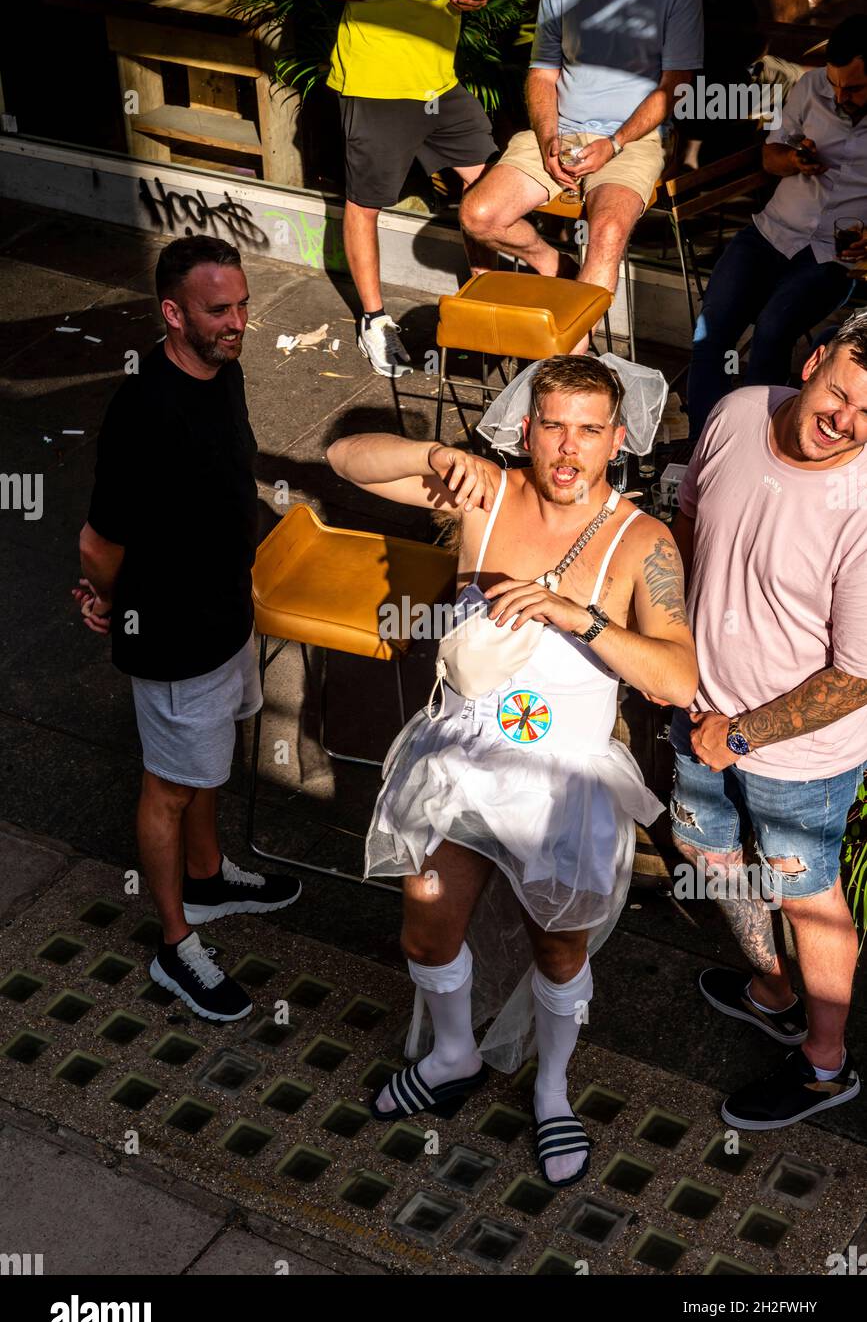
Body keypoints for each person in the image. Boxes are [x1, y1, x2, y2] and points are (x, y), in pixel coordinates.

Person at [327, 355, 697, 1186]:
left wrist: (580, 615)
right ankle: (455, 1054)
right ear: (525, 429)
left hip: (561, 782)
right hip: (457, 761)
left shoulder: (643, 542)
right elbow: (343, 459)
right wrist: (430, 457)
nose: (568, 450)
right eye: (552, 426)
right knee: (424, 921)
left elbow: (675, 679)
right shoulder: (484, 494)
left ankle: (553, 1090)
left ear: (618, 439)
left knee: (558, 952)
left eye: (589, 430)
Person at [75, 235, 301, 1022]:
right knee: (170, 786)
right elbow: (99, 543)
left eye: (241, 304)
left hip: (225, 610)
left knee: (213, 755)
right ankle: (176, 944)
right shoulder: (144, 408)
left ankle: (207, 875)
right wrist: (110, 599)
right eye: (219, 310)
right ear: (173, 314)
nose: (238, 321)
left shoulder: (221, 368)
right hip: (173, 633)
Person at [670, 311, 867, 1130]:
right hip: (694, 706)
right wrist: (664, 636)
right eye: (840, 395)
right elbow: (684, 524)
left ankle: (825, 1066)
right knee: (700, 846)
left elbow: (855, 679)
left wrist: (739, 733)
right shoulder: (737, 410)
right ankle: (774, 993)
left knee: (806, 895)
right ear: (814, 361)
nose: (844, 422)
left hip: (799, 757)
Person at [459, 0, 703, 349]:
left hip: (635, 139)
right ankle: (556, 266)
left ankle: (564, 367)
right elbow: (542, 75)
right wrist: (546, 139)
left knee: (606, 232)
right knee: (479, 215)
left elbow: (675, 84)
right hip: (562, 130)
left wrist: (615, 143)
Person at [686, 14, 867, 441]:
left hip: (832, 256)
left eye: (855, 88)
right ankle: (703, 446)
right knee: (710, 335)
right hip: (771, 233)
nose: (840, 95)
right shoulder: (809, 87)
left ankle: (759, 445)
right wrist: (795, 160)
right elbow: (771, 157)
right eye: (835, 83)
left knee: (771, 331)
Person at [311, 0, 499, 377]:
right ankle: (374, 322)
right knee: (365, 203)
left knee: (491, 189)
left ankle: (487, 306)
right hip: (377, 86)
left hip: (440, 84)